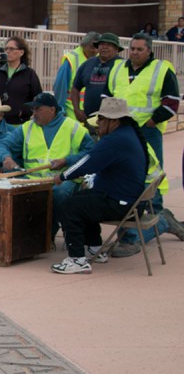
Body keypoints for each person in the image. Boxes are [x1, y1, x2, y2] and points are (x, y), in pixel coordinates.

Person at [105, 33, 183, 257]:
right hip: (122, 130)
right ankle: (150, 220)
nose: (135, 53)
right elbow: (109, 95)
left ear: (149, 50)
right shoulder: (119, 68)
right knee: (126, 176)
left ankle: (157, 215)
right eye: (132, 49)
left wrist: (151, 121)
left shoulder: (161, 69)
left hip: (147, 132)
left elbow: (171, 101)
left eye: (140, 49)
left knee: (150, 174)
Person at [52, 98, 147, 274]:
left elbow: (88, 162)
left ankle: (77, 260)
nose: (98, 122)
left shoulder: (115, 140)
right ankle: (95, 248)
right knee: (81, 198)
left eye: (101, 118)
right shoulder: (127, 133)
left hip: (121, 203)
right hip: (128, 200)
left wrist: (63, 176)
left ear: (114, 121)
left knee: (68, 206)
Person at [0, 92, 93, 238]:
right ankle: (19, 237)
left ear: (52, 110)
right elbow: (1, 145)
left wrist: (67, 160)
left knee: (58, 194)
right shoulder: (26, 127)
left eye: (38, 109)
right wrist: (6, 158)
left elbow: (91, 153)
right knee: (10, 191)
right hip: (33, 179)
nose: (33, 113)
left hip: (64, 180)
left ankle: (49, 236)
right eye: (33, 109)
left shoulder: (74, 127)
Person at [0, 36, 43, 126]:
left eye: (12, 49)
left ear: (21, 52)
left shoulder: (29, 74)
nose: (8, 51)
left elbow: (38, 97)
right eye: (6, 48)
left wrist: (25, 111)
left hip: (20, 123)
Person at [68, 32, 122, 127]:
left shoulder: (122, 66)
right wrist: (76, 110)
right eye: (101, 44)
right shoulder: (88, 64)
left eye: (109, 45)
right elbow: (75, 88)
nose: (104, 47)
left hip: (112, 122)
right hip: (89, 120)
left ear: (116, 49)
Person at [52, 32, 99, 118]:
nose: (95, 50)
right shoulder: (72, 59)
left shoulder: (100, 59)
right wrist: (60, 109)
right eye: (92, 47)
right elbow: (60, 87)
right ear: (84, 45)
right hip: (72, 111)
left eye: (97, 47)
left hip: (94, 112)